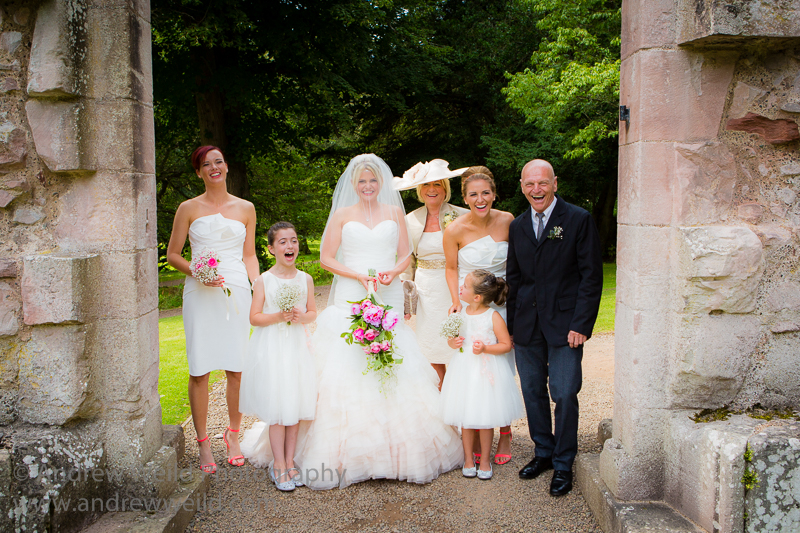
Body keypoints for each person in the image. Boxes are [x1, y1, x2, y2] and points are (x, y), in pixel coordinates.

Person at [295, 154, 463, 490]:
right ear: (353, 185)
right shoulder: (342, 215)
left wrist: (393, 273)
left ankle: (399, 448)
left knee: (395, 355)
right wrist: (357, 275)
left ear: (381, 184)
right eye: (362, 182)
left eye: (373, 181)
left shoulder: (393, 213)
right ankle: (350, 450)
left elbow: (405, 254)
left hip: (387, 292)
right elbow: (327, 258)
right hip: (350, 291)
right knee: (349, 360)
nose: (368, 186)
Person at [508, 159, 603, 497]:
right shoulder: (518, 226)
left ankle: (563, 463)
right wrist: (511, 327)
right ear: (522, 186)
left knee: (564, 393)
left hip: (566, 326)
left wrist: (581, 324)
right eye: (530, 184)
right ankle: (543, 453)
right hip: (527, 326)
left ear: (554, 183)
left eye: (543, 183)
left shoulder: (578, 219)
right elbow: (515, 279)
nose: (537, 190)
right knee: (532, 392)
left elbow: (592, 277)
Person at [166, 146, 259, 473]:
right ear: (199, 172)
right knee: (200, 368)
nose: (214, 167)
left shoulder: (246, 208)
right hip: (200, 291)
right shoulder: (188, 208)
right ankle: (203, 442)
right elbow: (173, 254)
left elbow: (249, 254)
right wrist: (198, 271)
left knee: (237, 368)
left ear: (226, 166)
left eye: (218, 161)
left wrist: (258, 284)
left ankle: (232, 434)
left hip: (236, 292)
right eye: (206, 164)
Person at [442, 168, 515, 466]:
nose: (480, 199)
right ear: (464, 197)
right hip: (471, 303)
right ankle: (473, 427)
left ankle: (506, 432)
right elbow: (450, 268)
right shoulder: (454, 230)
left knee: (503, 370)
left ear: (494, 193)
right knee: (473, 369)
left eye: (485, 192)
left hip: (504, 303)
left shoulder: (508, 220)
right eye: (473, 194)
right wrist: (456, 303)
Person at [239, 222, 318, 492]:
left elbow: (312, 313)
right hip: (273, 348)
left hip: (296, 345)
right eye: (283, 242)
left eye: (293, 241)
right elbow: (254, 318)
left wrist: (299, 316)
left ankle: (291, 461)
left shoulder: (305, 278)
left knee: (295, 406)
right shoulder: (264, 280)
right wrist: (278, 316)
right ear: (272, 248)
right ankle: (278, 464)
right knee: (278, 408)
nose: (290, 246)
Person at [441, 270, 524, 480]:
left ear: (477, 297)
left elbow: (506, 345)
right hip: (464, 371)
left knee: (487, 416)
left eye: (465, 286)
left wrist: (485, 348)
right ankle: (469, 459)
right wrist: (454, 342)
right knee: (466, 417)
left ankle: (485, 460)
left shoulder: (492, 316)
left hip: (486, 372)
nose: (461, 287)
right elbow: (451, 340)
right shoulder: (458, 314)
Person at [394, 160, 468, 388]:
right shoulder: (410, 219)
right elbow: (407, 260)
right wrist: (406, 293)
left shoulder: (462, 215)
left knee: (457, 342)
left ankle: (460, 396)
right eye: (426, 185)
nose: (432, 189)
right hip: (427, 289)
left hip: (455, 286)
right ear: (420, 190)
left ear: (445, 188)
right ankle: (440, 395)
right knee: (431, 345)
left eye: (437, 184)